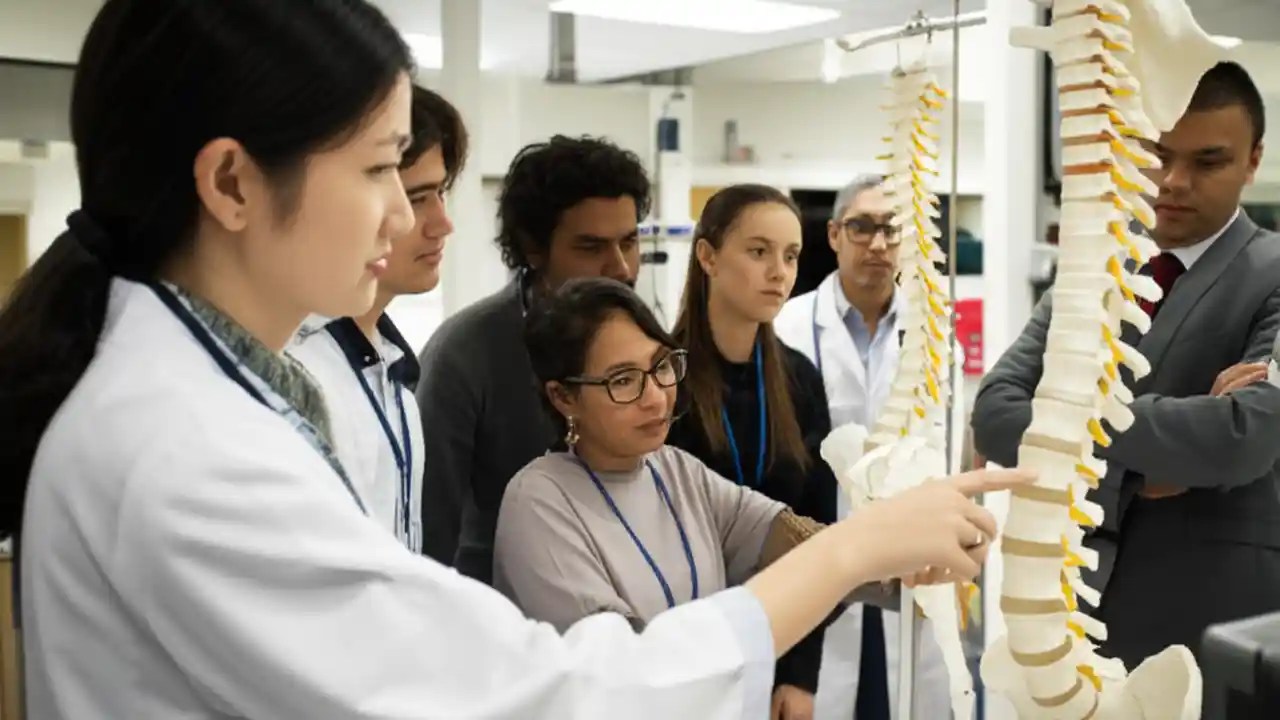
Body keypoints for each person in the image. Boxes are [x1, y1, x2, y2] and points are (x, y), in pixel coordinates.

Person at [0, 2, 1031, 718]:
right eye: (377, 169)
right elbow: (546, 693)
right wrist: (849, 553)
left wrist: (855, 547)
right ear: (231, 183)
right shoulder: (185, 455)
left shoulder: (213, 403)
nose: (407, 217)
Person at [971, 61, 1280, 670]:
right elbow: (996, 414)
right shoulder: (1096, 271)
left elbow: (1243, 438)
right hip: (1072, 622)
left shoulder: (1272, 274)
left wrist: (1066, 430)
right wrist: (1142, 470)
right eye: (1157, 154)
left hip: (1213, 628)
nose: (1172, 180)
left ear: (1253, 161)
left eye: (1207, 161)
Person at [495, 278, 923, 638]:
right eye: (623, 381)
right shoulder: (539, 502)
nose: (654, 397)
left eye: (661, 366)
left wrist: (911, 570)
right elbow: (616, 667)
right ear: (563, 396)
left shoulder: (676, 472)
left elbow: (794, 541)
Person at [417, 135, 649, 583]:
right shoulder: (464, 355)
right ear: (533, 248)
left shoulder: (643, 341)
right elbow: (430, 533)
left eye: (628, 241)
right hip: (500, 618)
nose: (620, 268)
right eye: (591, 247)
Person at [664, 184, 841, 719]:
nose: (779, 273)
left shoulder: (799, 381)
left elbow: (818, 537)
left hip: (776, 642)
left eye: (790, 256)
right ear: (708, 256)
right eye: (759, 251)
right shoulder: (662, 378)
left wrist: (798, 674)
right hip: (680, 652)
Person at [775, 176, 949, 719]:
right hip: (824, 550)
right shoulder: (788, 326)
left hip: (912, 562)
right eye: (862, 227)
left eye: (891, 229)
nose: (878, 243)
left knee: (906, 694)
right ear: (833, 235)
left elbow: (945, 445)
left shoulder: (933, 333)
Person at [288, 84, 466, 550]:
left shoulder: (394, 373)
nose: (441, 223)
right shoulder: (297, 374)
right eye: (417, 197)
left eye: (441, 193)